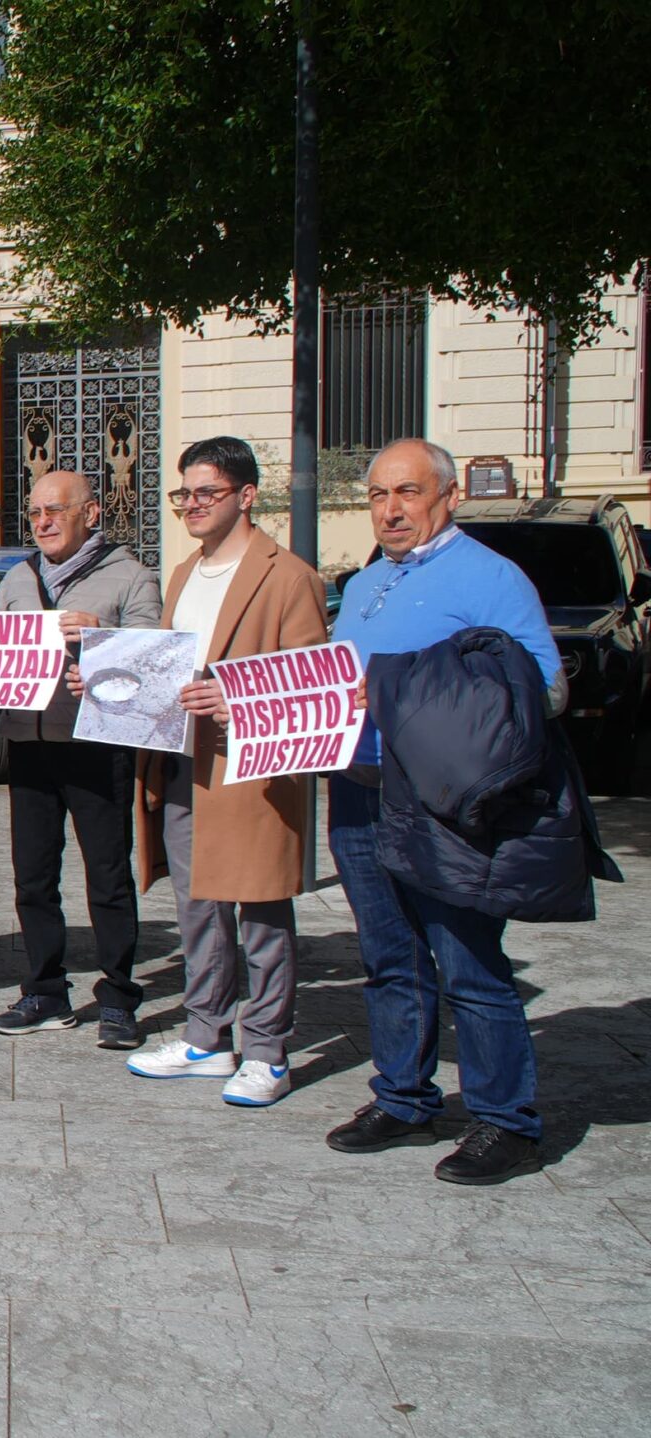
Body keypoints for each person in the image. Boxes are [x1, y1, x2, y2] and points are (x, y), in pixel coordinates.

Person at [322, 439, 577, 1183]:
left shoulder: (491, 578)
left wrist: (406, 692)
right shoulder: (371, 581)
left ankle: (507, 1123)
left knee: (469, 964)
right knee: (389, 958)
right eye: (377, 495)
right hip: (361, 789)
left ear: (449, 495)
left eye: (407, 493)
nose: (391, 510)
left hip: (443, 806)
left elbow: (547, 692)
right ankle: (403, 1096)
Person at [0, 470, 164, 1050]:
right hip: (28, 746)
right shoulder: (18, 578)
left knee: (107, 877)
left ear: (92, 513)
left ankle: (120, 996)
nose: (43, 522)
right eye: (34, 513)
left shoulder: (131, 577)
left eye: (56, 510)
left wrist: (101, 633)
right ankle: (46, 990)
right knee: (33, 879)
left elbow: (154, 660)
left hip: (96, 748)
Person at [122, 436, 327, 1105]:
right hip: (184, 760)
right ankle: (206, 1035)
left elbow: (310, 685)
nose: (191, 505)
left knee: (262, 910)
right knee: (198, 906)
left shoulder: (289, 576)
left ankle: (267, 1049)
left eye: (206, 492)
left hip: (254, 767)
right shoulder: (181, 574)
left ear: (246, 496)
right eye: (184, 493)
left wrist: (234, 698)